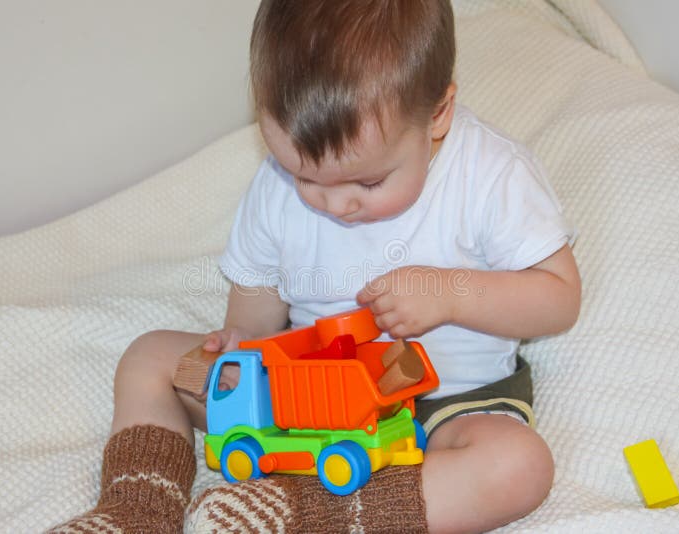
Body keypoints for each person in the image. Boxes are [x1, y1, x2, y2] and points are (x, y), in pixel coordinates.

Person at [50, 1, 580, 533]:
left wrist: (452, 293)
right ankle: (136, 512)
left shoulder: (491, 177)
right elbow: (256, 313)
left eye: (368, 183)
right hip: (308, 397)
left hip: (446, 406)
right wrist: (241, 345)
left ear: (437, 114)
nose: (334, 205)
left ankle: (303, 513)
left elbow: (558, 298)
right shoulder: (275, 187)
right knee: (149, 358)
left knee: (519, 466)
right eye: (304, 176)